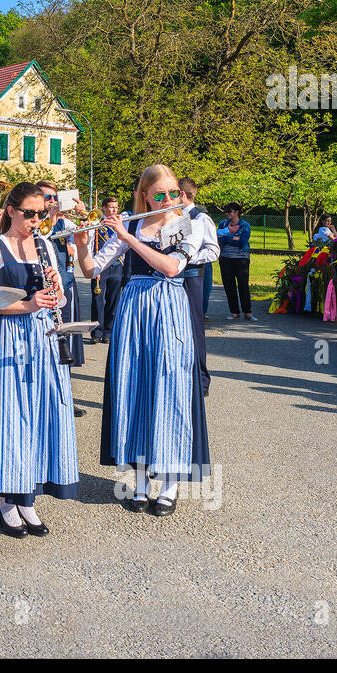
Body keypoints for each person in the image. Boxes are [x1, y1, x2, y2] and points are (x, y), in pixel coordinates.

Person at [76, 164, 210, 517]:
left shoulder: (188, 224)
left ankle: (168, 486)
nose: (168, 200)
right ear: (144, 196)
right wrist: (81, 243)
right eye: (159, 195)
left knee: (169, 390)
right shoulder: (132, 223)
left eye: (173, 193)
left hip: (169, 308)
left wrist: (127, 237)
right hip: (134, 312)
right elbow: (91, 270)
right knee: (133, 389)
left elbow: (170, 268)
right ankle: (138, 483)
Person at [0, 182, 78, 538]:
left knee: (40, 413)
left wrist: (56, 289)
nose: (36, 220)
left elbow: (59, 298)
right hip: (10, 337)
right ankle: (7, 497)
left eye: (41, 213)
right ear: (11, 210)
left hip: (44, 337)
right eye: (29, 213)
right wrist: (28, 305)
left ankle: (28, 495)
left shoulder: (46, 245)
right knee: (12, 416)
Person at [37, 181, 86, 381]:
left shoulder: (64, 223)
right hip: (42, 288)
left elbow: (84, 240)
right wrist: (51, 215)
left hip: (65, 284)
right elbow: (40, 235)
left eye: (55, 197)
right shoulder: (33, 220)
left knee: (67, 340)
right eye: (47, 197)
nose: (52, 201)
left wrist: (83, 216)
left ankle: (65, 391)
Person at [177, 178, 221, 395]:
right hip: (170, 277)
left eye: (173, 193)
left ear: (183, 195)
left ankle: (201, 380)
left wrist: (188, 258)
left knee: (194, 328)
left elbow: (213, 251)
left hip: (192, 276)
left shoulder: (201, 218)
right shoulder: (172, 217)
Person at [89, 196, 125, 342]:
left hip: (117, 266)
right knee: (98, 301)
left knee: (113, 300)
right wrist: (93, 267)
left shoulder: (120, 224)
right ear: (104, 208)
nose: (114, 209)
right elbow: (91, 245)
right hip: (100, 267)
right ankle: (96, 332)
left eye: (116, 206)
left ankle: (108, 332)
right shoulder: (97, 223)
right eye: (111, 207)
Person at [217, 203, 255, 321]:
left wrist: (227, 237)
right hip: (225, 258)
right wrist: (232, 237)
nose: (227, 213)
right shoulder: (223, 224)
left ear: (237, 212)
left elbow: (242, 242)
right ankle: (234, 312)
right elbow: (217, 237)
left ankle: (247, 312)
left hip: (241, 259)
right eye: (226, 211)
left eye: (230, 211)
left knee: (243, 285)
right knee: (229, 285)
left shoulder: (244, 225)